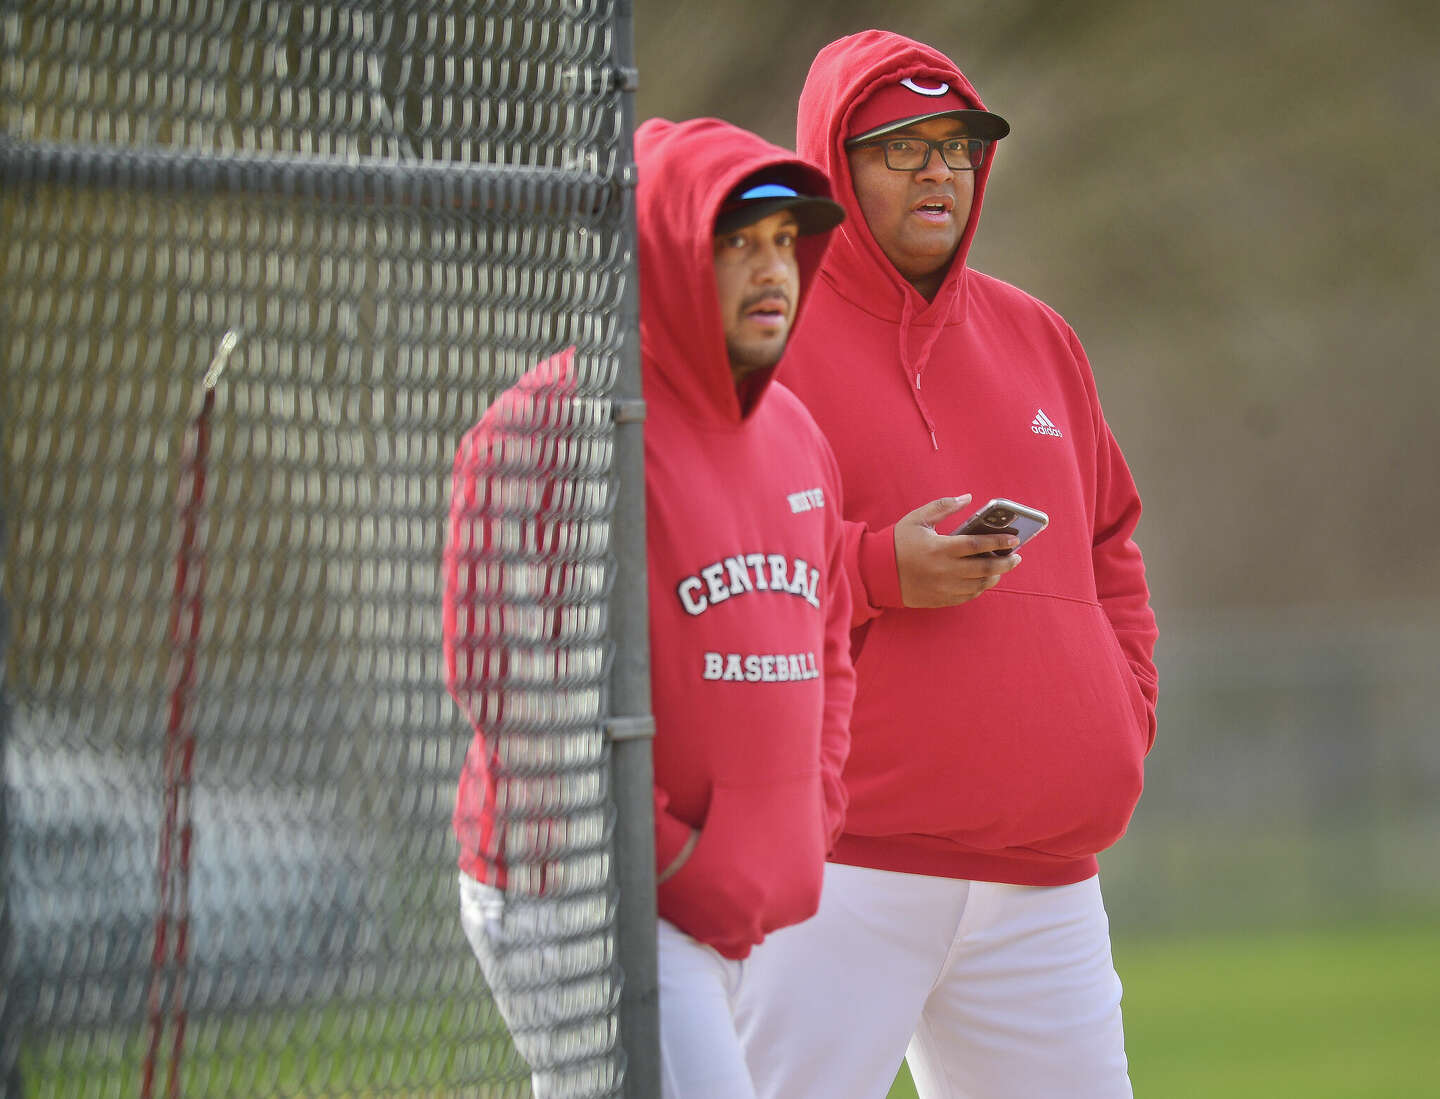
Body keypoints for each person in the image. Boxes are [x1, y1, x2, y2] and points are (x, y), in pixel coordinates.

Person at [734, 30, 1160, 1099]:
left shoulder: (1040, 335)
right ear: (834, 166)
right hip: (837, 867)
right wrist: (878, 569)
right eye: (903, 147)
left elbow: (1111, 541)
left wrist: (1122, 704)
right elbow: (712, 552)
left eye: (959, 147)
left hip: (1042, 877)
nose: (940, 171)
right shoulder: (766, 333)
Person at [443, 117, 855, 1098]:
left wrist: (811, 812)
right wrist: (675, 862)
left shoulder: (795, 430)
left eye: (784, 241)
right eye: (736, 242)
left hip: (739, 894)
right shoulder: (552, 427)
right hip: (584, 892)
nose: (773, 269)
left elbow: (832, 645)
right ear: (666, 252)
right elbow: (513, 692)